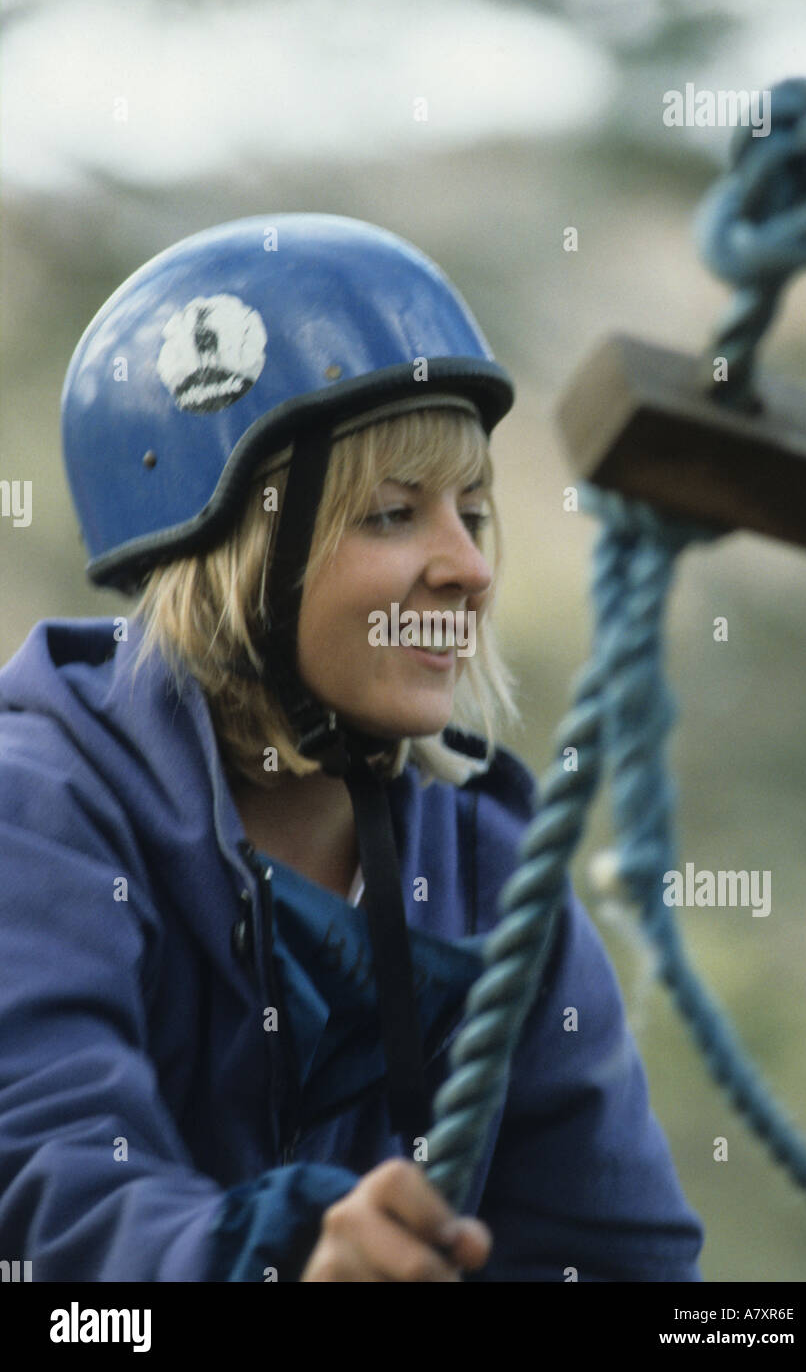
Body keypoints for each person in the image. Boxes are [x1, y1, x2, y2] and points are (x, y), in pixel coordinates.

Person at [0, 213, 704, 1282]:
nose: (467, 565)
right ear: (231, 556)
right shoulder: (35, 816)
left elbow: (615, 1258)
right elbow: (49, 1187)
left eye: (472, 511)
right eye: (391, 513)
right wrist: (283, 1260)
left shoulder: (493, 872)